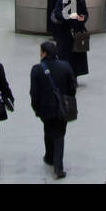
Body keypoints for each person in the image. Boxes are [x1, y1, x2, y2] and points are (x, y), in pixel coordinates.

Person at [30, 40, 76, 179]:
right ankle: (58, 166)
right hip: (62, 108)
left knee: (48, 130)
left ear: (44, 53)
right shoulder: (65, 66)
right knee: (59, 135)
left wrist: (36, 107)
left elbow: (34, 92)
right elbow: (72, 88)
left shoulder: (37, 69)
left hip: (45, 108)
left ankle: (49, 157)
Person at [51, 0, 89, 79]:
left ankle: (74, 77)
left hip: (77, 32)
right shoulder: (61, 0)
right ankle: (65, 76)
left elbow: (85, 13)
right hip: (64, 33)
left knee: (77, 57)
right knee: (65, 56)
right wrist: (68, 17)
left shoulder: (81, 0)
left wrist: (81, 18)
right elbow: (57, 14)